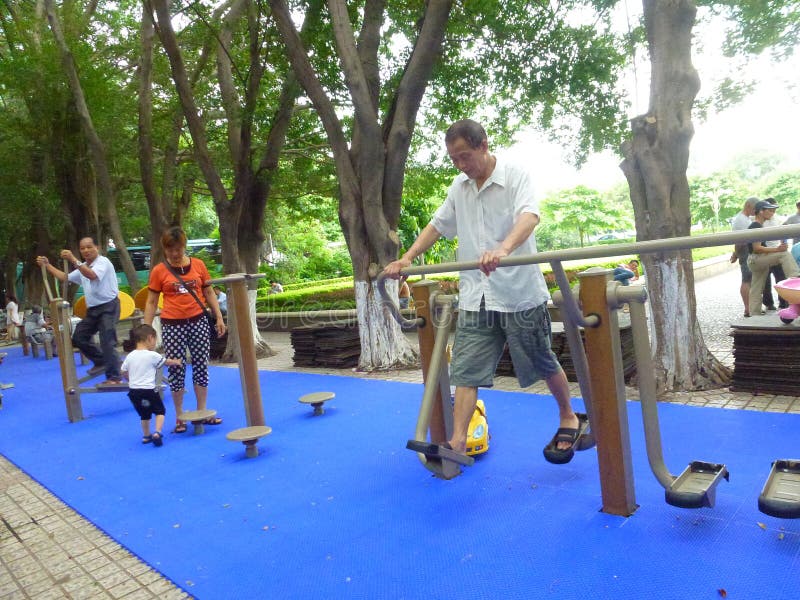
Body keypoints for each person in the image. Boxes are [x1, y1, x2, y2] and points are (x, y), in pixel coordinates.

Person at [384, 119, 587, 464]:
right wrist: (406, 258)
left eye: (465, 156)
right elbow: (437, 225)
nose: (461, 165)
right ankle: (458, 441)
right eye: (454, 160)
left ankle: (568, 415)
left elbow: (530, 216)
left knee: (540, 359)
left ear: (483, 146)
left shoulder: (514, 175)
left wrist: (504, 248)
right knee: (465, 367)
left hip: (517, 291)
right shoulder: (459, 187)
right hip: (476, 295)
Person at [143, 226, 226, 433]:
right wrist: (146, 329)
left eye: (178, 249)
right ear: (165, 249)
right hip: (172, 325)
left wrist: (218, 316)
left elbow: (208, 292)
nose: (175, 253)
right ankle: (180, 416)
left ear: (184, 246)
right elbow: (152, 301)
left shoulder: (198, 265)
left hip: (198, 321)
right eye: (170, 250)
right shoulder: (159, 271)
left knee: (201, 365)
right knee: (176, 368)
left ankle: (202, 412)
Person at [36, 238, 122, 384]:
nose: (86, 251)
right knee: (78, 337)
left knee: (107, 339)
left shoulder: (103, 262)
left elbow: (92, 275)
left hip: (108, 306)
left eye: (89, 247)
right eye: (82, 248)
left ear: (97, 247)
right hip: (93, 309)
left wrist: (73, 259)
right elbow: (65, 277)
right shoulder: (83, 267)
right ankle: (101, 361)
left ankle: (114, 376)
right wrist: (48, 265)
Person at [121, 324, 181, 447]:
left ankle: (146, 435)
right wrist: (177, 362)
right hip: (148, 390)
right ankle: (157, 432)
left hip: (134, 392)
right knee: (160, 411)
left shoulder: (130, 356)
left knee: (144, 414)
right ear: (150, 338)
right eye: (155, 340)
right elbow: (166, 362)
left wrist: (130, 379)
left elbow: (123, 371)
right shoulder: (151, 355)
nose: (155, 343)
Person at [747, 199, 800, 317]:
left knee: (756, 289)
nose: (773, 213)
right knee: (784, 254)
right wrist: (777, 250)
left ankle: (754, 315)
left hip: (755, 260)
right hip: (757, 258)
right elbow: (757, 248)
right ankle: (796, 278)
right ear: (761, 212)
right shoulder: (756, 225)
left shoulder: (758, 225)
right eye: (770, 210)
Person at [730, 197, 758, 317]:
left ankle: (750, 306)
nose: (755, 211)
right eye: (754, 208)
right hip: (745, 250)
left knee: (749, 279)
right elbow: (739, 241)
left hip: (746, 250)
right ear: (748, 206)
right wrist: (736, 254)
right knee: (746, 279)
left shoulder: (745, 218)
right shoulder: (740, 220)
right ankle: (747, 308)